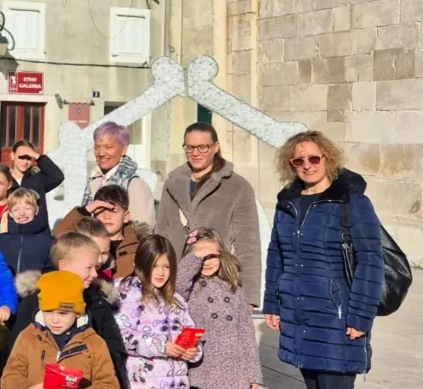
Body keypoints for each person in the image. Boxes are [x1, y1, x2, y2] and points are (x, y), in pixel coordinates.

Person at [263, 131, 383, 389]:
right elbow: (276, 254)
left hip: (336, 318)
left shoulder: (353, 202)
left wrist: (361, 316)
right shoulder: (287, 203)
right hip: (299, 315)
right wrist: (272, 303)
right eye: (298, 161)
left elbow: (371, 262)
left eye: (314, 158)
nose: (307, 165)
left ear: (328, 159)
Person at [155, 122, 261, 307]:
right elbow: (161, 233)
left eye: (202, 147)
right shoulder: (172, 184)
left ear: (216, 147)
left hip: (217, 284)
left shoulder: (237, 187)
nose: (196, 153)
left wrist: (249, 297)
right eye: (190, 147)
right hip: (175, 282)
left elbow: (248, 245)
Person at [11, 232, 129, 389]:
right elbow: (13, 367)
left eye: (97, 267)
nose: (95, 274)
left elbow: (114, 356)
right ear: (63, 266)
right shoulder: (33, 304)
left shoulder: (97, 302)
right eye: (89, 267)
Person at [3, 271, 120, 389]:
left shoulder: (94, 343)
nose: (54, 320)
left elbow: (108, 383)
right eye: (48, 312)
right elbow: (11, 375)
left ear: (77, 313)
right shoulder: (28, 337)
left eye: (63, 313)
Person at [176, 229, 261, 389]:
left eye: (212, 256)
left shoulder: (234, 290)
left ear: (221, 255)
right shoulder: (188, 288)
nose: (206, 262)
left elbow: (247, 335)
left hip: (235, 373)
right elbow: (180, 280)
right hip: (200, 371)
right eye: (202, 256)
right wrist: (195, 257)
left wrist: (254, 376)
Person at [115, 235, 200, 389]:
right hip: (144, 383)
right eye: (155, 266)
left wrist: (193, 351)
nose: (161, 272)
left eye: (166, 267)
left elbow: (190, 332)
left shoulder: (176, 300)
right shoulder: (130, 293)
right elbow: (122, 336)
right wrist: (161, 346)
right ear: (142, 264)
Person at [58, 185, 142, 282]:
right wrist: (86, 210)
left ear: (126, 216)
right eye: (101, 211)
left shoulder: (138, 248)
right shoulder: (84, 241)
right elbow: (61, 235)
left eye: (113, 211)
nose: (107, 216)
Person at [85, 123, 154, 227]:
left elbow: (141, 230)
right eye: (97, 147)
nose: (101, 153)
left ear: (123, 150)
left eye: (108, 147)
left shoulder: (135, 185)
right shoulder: (93, 180)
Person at [6, 140, 65, 232]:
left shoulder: (38, 179)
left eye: (29, 158)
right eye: (21, 157)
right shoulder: (5, 180)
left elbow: (57, 177)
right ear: (12, 156)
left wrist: (37, 156)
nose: (25, 162)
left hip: (38, 234)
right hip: (12, 235)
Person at [0, 188, 53, 276]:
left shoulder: (48, 242)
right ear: (10, 213)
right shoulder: (0, 241)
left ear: (36, 210)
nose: (22, 213)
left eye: (27, 208)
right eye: (16, 209)